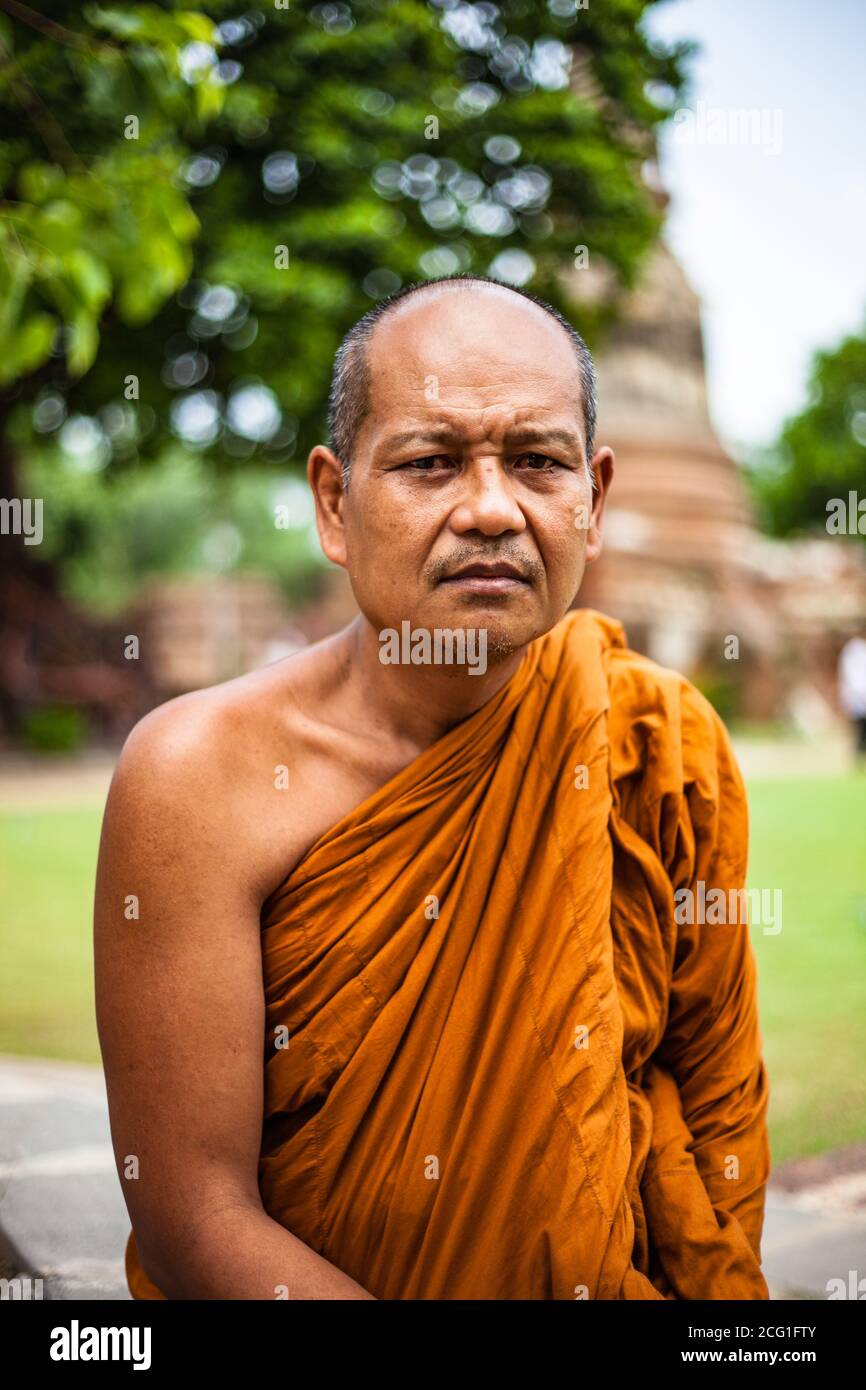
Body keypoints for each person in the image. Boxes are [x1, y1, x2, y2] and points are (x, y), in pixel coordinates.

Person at [94, 273, 771, 1300]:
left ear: (590, 501)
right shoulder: (197, 776)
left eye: (537, 463)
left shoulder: (652, 741)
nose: (492, 509)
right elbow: (196, 1216)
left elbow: (716, 1121)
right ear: (333, 501)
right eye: (430, 461)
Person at [837, 627, 866, 763]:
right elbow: (853, 676)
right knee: (860, 729)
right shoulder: (854, 649)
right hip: (858, 698)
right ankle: (858, 758)